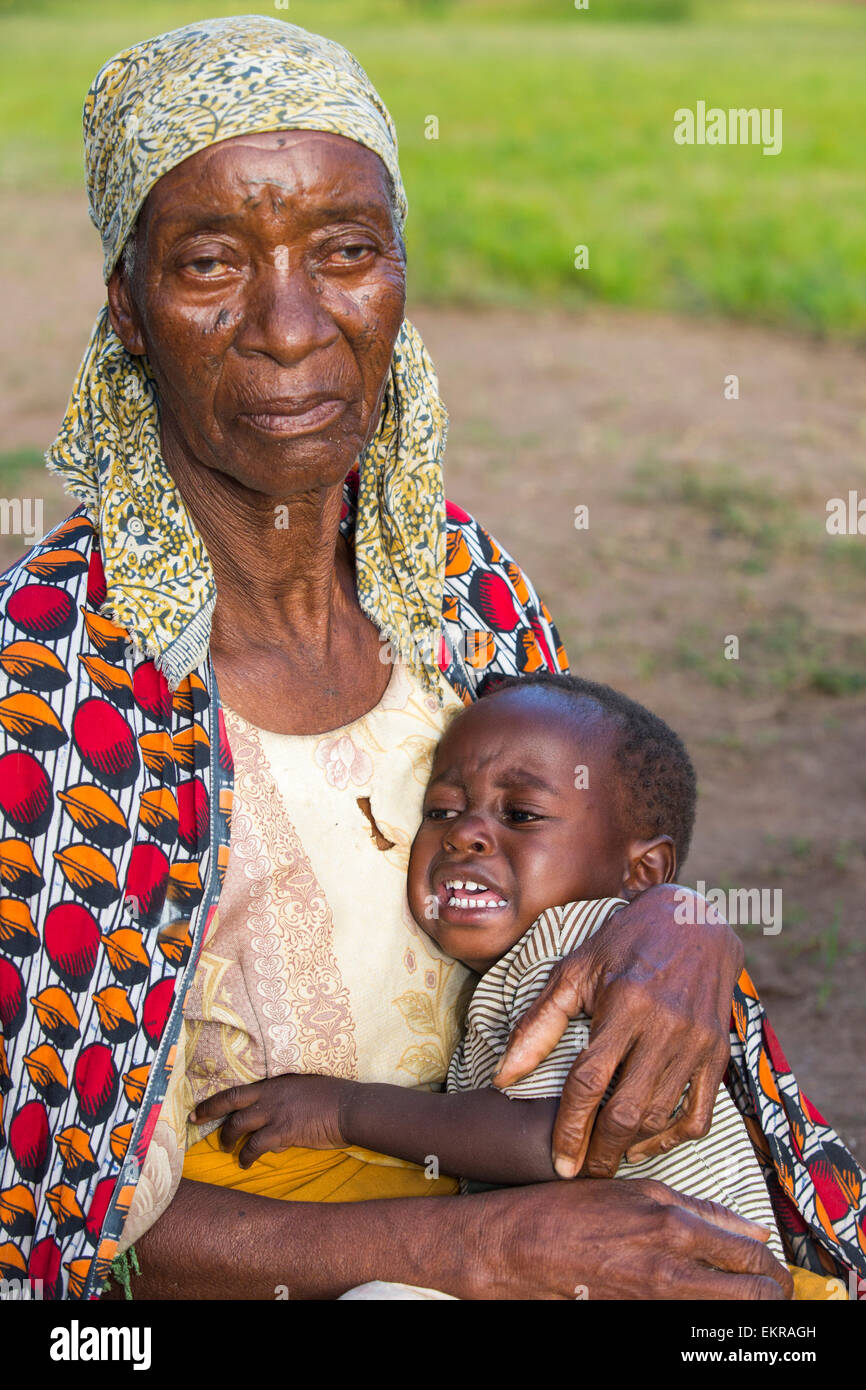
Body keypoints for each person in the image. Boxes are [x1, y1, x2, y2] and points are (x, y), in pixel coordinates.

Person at [0, 15, 851, 1302]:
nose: (291, 327)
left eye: (346, 251)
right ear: (128, 308)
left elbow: (587, 844)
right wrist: (476, 1249)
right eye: (211, 263)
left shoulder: (459, 587)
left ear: (398, 271)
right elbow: (51, 1209)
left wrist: (676, 919)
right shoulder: (45, 681)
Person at [192, 674, 864, 1298]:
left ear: (642, 871)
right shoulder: (552, 952)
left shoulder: (586, 949)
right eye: (442, 810)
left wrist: (345, 1111)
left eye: (521, 816)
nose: (467, 836)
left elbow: (555, 1143)